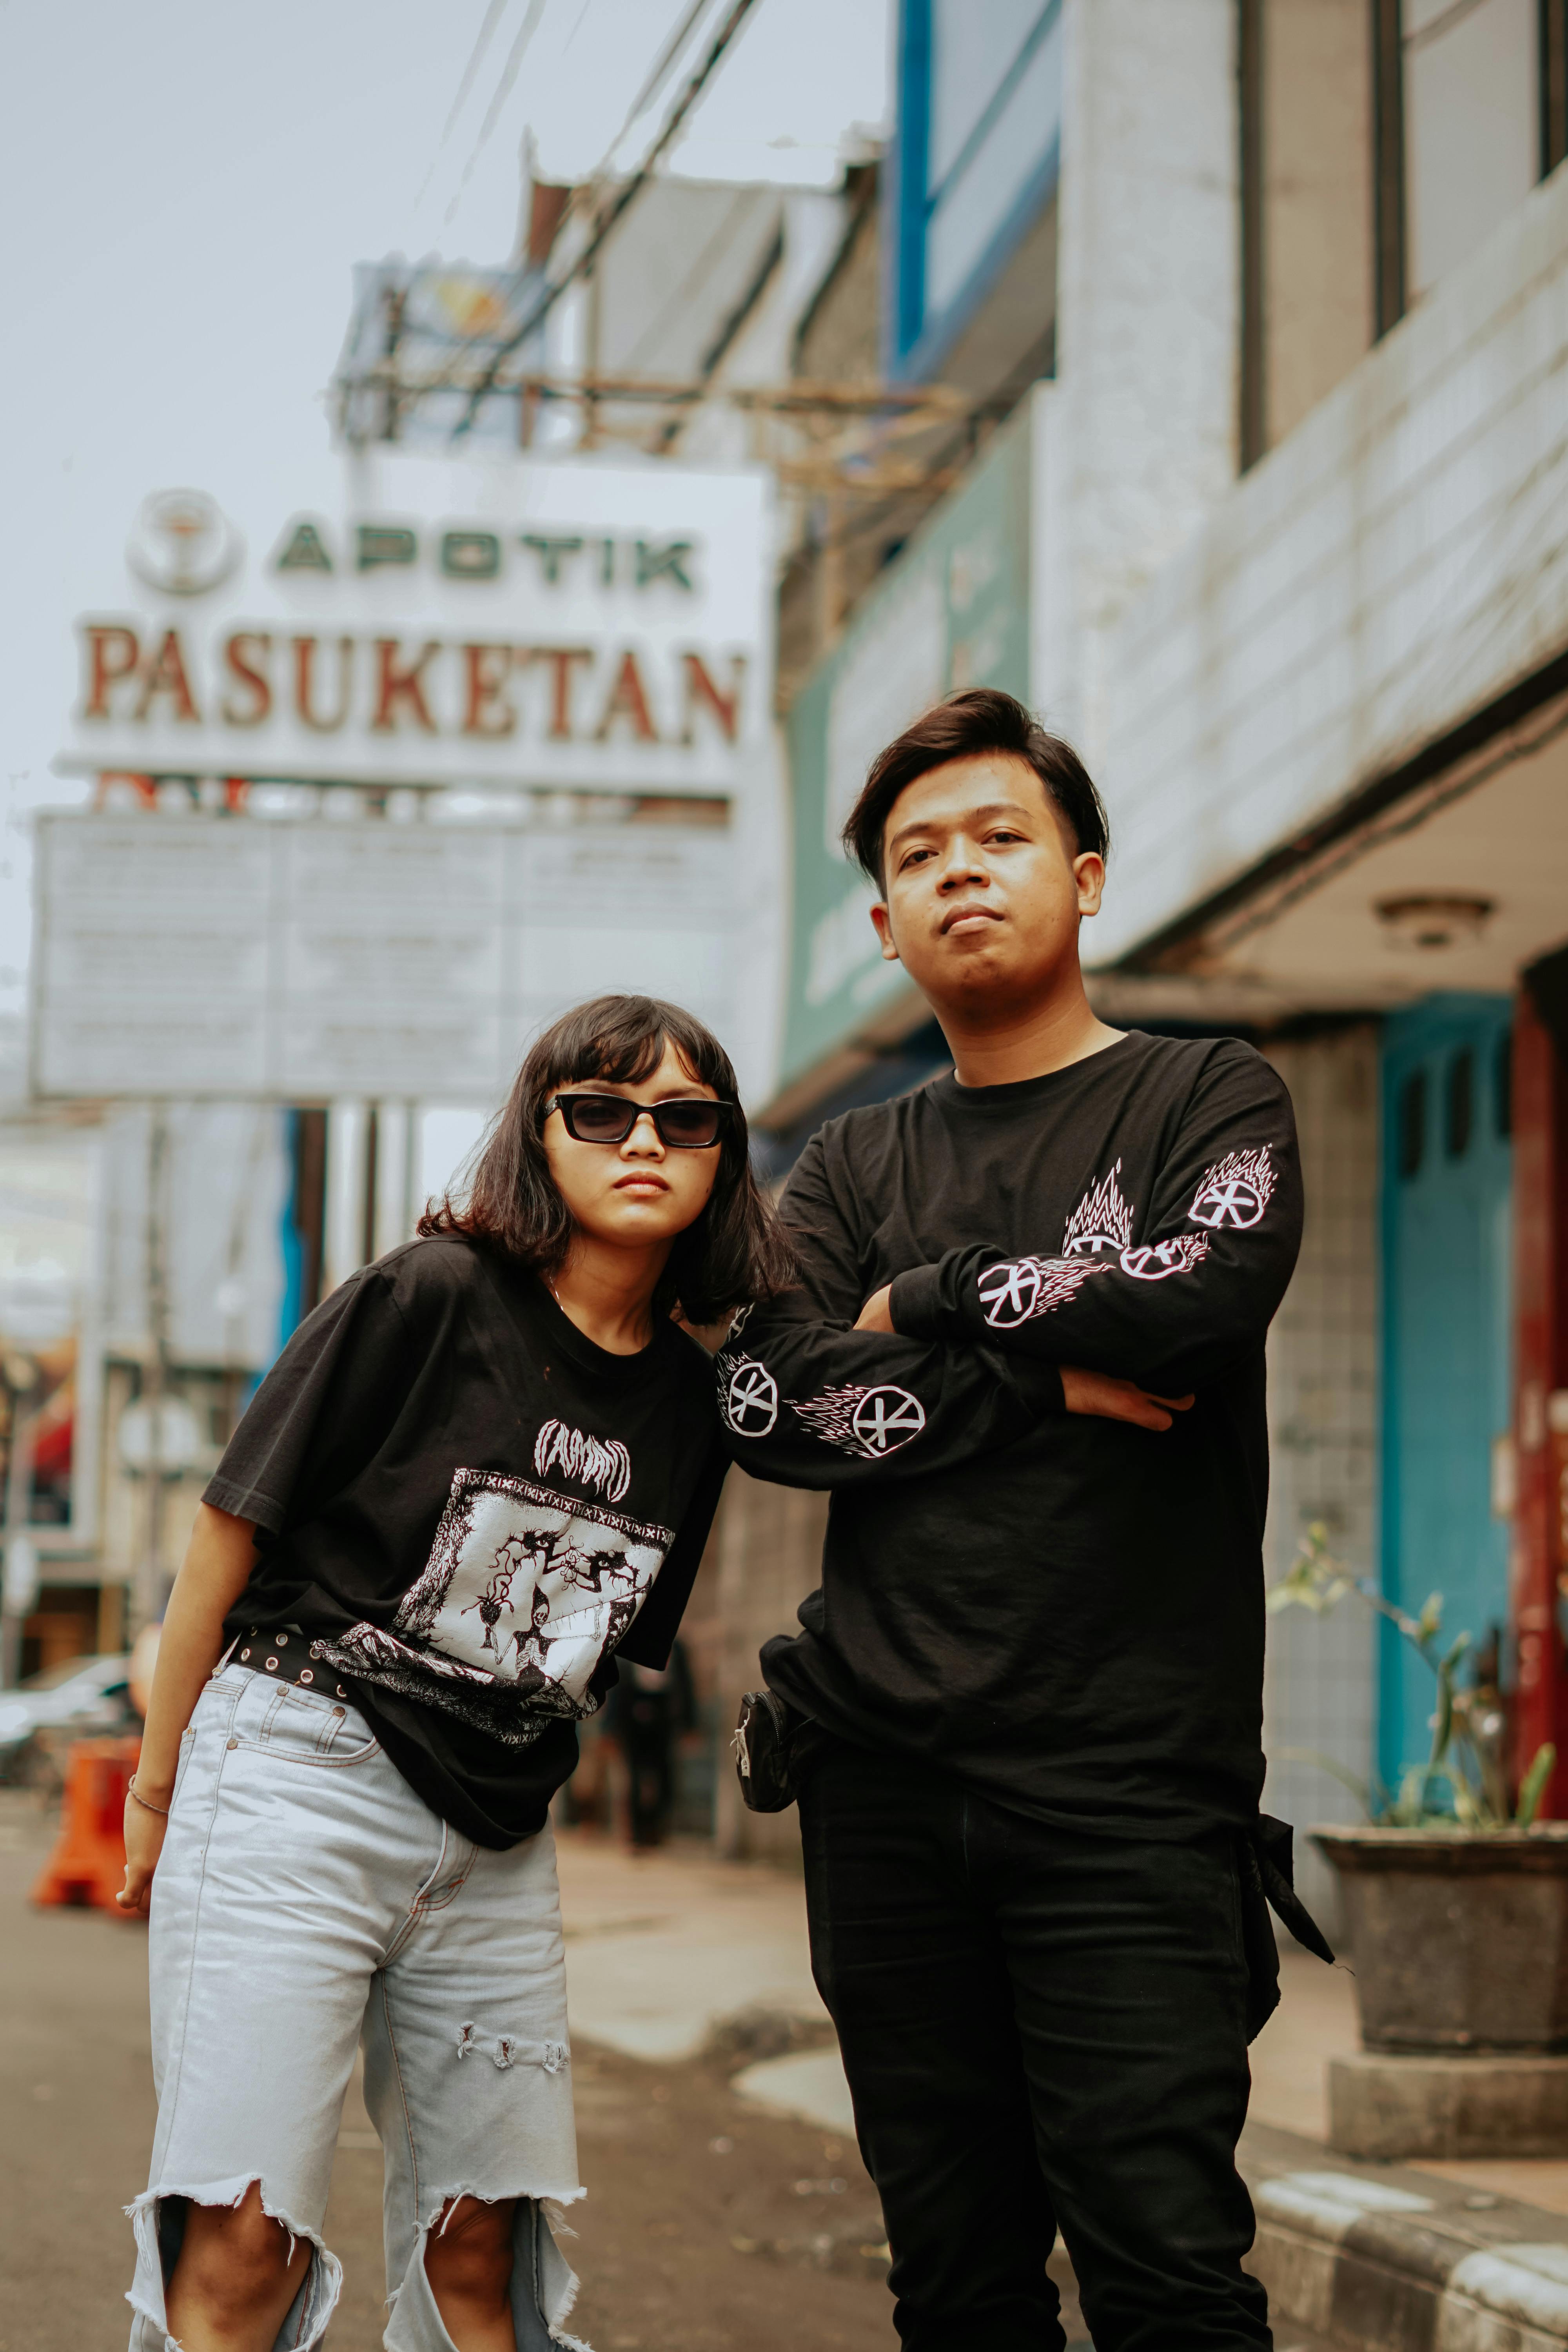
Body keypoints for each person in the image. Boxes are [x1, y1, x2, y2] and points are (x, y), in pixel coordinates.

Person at [715, 688, 1305, 2351]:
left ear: (1088, 877)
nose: (962, 874)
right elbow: (765, 1401)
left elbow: (1191, 1310)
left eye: (1000, 838)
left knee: (1168, 2273)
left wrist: (938, 1293)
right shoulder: (842, 1165)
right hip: (884, 1798)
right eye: (921, 857)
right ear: (885, 928)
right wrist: (1035, 1384)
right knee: (957, 2287)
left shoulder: (1211, 1097)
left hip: (1128, 1797)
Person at [117, 994, 790, 2352]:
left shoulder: (692, 1405)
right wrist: (156, 1775)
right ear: (538, 1136)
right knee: (245, 2235)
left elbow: (584, 1658)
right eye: (599, 1112)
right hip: (297, 1778)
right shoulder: (428, 1295)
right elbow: (230, 1525)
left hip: (495, 1841)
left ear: (723, 1156)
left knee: (484, 2244)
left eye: (684, 1118)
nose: (642, 1140)